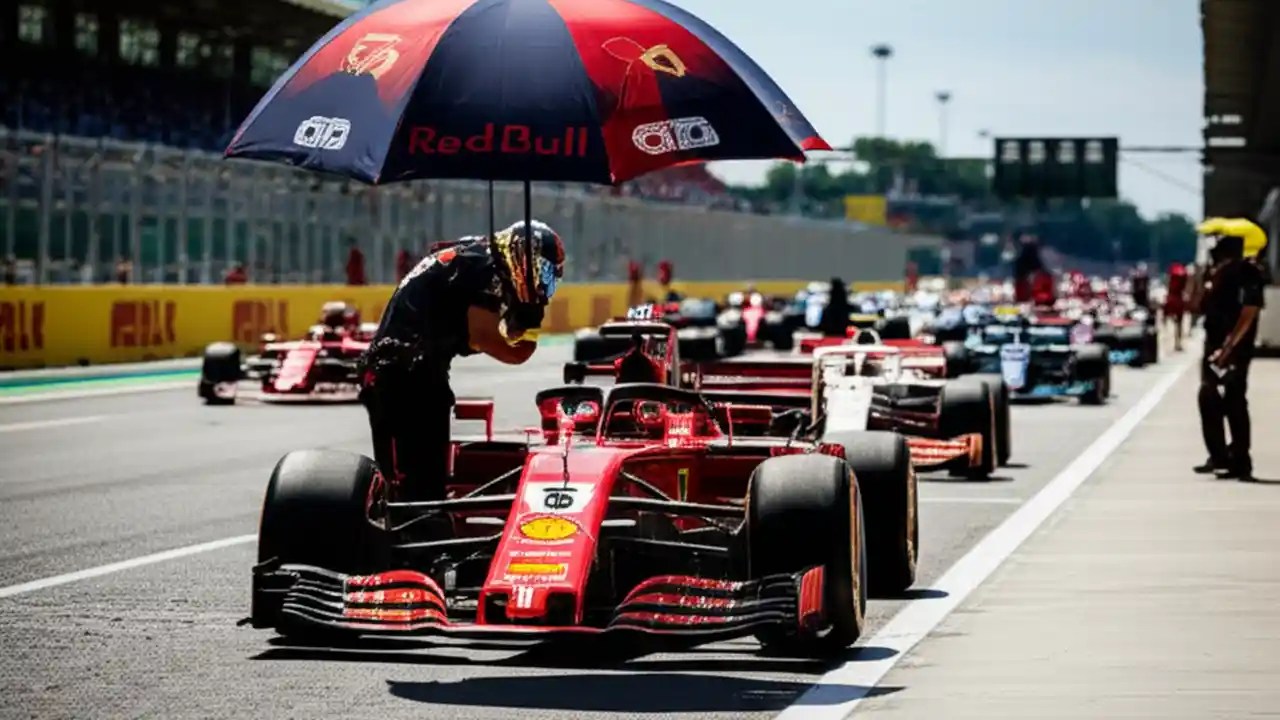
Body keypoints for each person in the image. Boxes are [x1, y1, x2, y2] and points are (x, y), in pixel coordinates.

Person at [360, 220, 564, 501]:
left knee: (426, 480)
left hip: (412, 371)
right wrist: (525, 341)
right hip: (401, 373)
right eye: (540, 271)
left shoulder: (477, 255)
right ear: (521, 255)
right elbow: (485, 337)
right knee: (411, 488)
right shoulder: (486, 267)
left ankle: (421, 526)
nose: (541, 282)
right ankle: (414, 534)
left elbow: (472, 332)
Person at [1194, 218, 1267, 481]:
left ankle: (1240, 459)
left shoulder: (1249, 273)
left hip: (1235, 347)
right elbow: (1198, 306)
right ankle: (1220, 456)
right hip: (1214, 343)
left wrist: (1228, 348)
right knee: (1209, 397)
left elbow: (1249, 312)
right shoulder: (1217, 274)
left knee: (1234, 399)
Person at [1164, 262, 1188, 351]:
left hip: (1172, 299)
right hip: (1179, 300)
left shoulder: (1171, 277)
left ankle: (1173, 341)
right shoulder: (1183, 277)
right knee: (1179, 323)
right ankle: (1178, 342)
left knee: (1171, 321)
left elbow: (1168, 286)